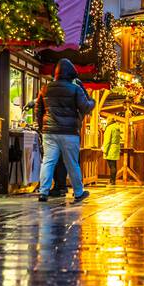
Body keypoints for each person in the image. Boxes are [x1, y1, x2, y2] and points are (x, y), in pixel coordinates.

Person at [35, 59, 95, 203]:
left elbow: (38, 110)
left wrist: (42, 127)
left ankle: (43, 192)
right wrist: (91, 100)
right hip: (69, 133)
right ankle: (79, 192)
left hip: (49, 132)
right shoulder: (75, 89)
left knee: (48, 161)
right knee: (72, 163)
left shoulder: (45, 88)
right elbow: (85, 107)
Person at [102, 118, 124, 185]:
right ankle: (113, 181)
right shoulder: (117, 127)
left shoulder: (109, 128)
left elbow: (107, 140)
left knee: (111, 166)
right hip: (116, 148)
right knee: (114, 165)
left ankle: (112, 181)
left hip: (110, 148)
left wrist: (104, 149)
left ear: (109, 121)